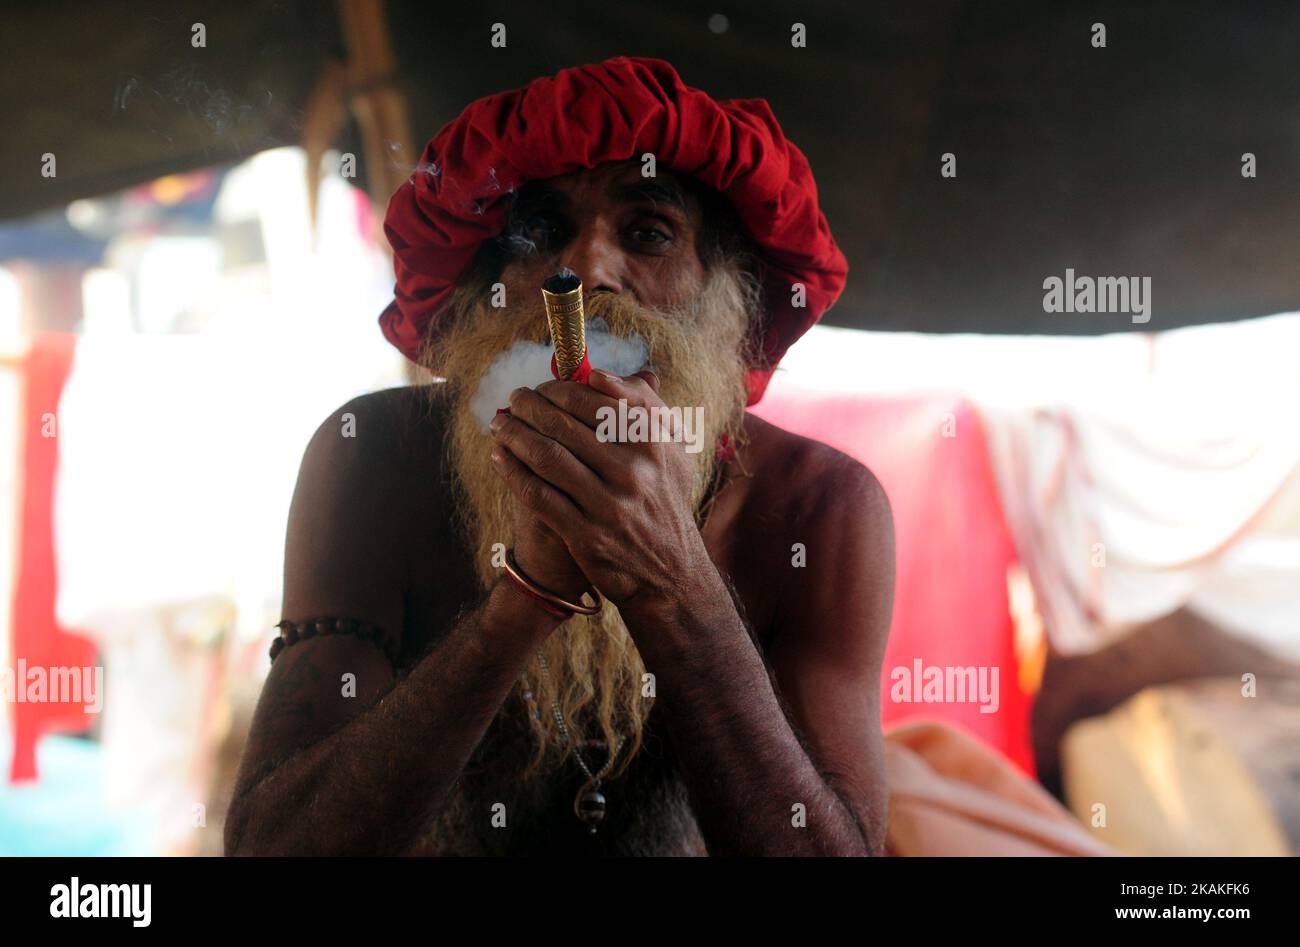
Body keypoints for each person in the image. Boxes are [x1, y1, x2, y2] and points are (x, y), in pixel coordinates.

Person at [224, 57, 1103, 857]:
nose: (586, 271)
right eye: (540, 232)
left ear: (727, 297)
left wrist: (670, 577)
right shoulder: (377, 460)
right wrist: (522, 601)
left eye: (646, 232)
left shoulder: (816, 509)